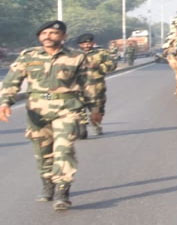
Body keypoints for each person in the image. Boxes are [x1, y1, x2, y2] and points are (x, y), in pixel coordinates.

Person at [0, 20, 98, 211]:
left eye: (53, 33)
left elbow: (89, 84)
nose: (47, 36)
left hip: (67, 108)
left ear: (63, 37)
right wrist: (5, 102)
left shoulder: (77, 57)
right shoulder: (28, 56)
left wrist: (95, 109)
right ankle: (47, 184)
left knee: (64, 149)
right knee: (42, 152)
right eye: (43, 33)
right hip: (37, 111)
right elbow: (12, 80)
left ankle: (62, 190)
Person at [75, 33, 117, 136]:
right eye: (83, 44)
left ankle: (96, 124)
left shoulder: (101, 53)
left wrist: (98, 66)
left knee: (97, 112)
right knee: (77, 109)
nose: (86, 46)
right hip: (77, 88)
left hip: (96, 88)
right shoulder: (73, 55)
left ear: (93, 43)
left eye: (88, 43)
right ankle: (81, 126)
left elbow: (112, 65)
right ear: (80, 45)